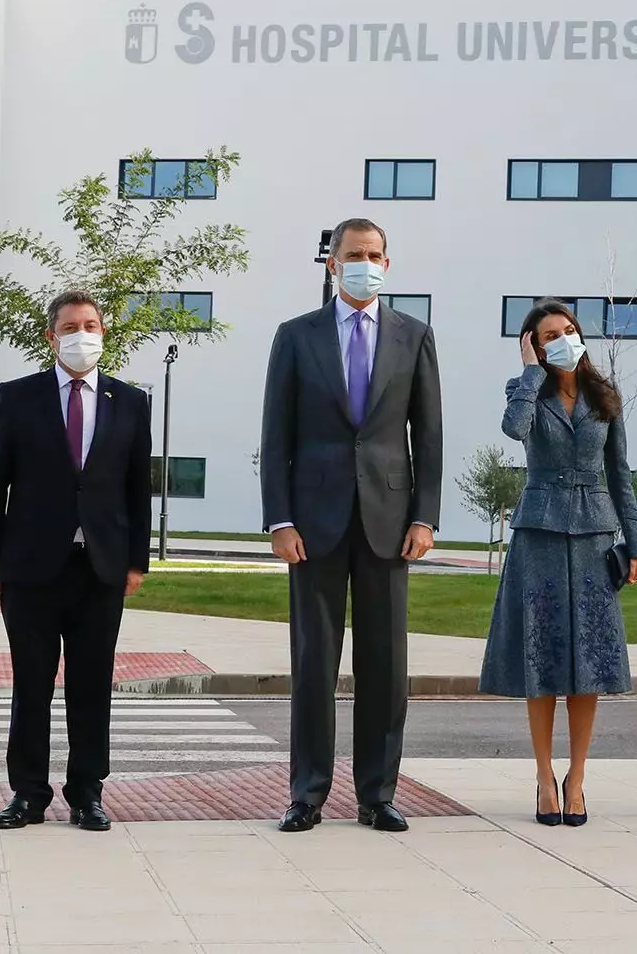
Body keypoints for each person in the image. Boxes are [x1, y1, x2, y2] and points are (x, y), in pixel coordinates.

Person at [260, 218, 442, 834]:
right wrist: (279, 518)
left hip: (390, 522)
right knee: (314, 663)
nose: (366, 262)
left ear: (388, 263)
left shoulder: (414, 337)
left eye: (376, 254)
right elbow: (275, 436)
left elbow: (430, 434)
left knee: (385, 666)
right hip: (312, 523)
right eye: (354, 254)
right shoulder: (296, 336)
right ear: (333, 264)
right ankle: (306, 794)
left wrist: (426, 514)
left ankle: (377, 793)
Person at [0, 290, 152, 833]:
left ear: (104, 332)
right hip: (29, 567)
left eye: (91, 324)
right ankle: (27, 794)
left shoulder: (130, 401)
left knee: (92, 684)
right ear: (52, 337)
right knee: (32, 685)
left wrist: (136, 560)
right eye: (71, 326)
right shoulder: (18, 396)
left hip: (100, 567)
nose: (83, 334)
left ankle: (87, 793)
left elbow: (138, 487)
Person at [481, 301, 637, 827]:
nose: (563, 338)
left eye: (569, 330)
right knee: (542, 658)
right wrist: (531, 371)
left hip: (596, 536)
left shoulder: (605, 395)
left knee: (589, 665)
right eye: (549, 334)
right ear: (533, 343)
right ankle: (542, 776)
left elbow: (619, 474)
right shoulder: (525, 390)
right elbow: (513, 430)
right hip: (540, 535)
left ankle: (576, 778)